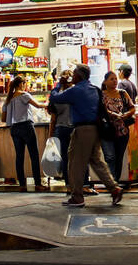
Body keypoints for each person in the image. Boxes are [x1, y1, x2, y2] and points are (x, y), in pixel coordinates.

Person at [49, 64, 122, 207]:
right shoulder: (94, 89)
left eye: (74, 74)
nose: (72, 76)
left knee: (76, 162)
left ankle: (77, 196)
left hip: (82, 129)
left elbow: (54, 98)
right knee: (95, 160)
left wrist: (59, 84)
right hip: (95, 128)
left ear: (79, 76)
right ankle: (114, 188)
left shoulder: (75, 90)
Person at [2, 75, 45, 192]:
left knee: (19, 157)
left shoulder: (8, 100)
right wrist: (48, 105)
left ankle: (22, 185)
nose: (25, 85)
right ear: (21, 84)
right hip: (26, 126)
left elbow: (3, 118)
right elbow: (38, 105)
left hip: (14, 129)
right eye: (25, 83)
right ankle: (37, 184)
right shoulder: (24, 95)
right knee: (34, 155)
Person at [99, 71, 135, 188]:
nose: (114, 81)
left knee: (119, 156)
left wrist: (126, 115)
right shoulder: (101, 95)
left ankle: (116, 181)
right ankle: (112, 183)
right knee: (110, 157)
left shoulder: (122, 93)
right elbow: (99, 110)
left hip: (122, 130)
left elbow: (132, 108)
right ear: (105, 81)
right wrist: (111, 114)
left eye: (115, 79)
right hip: (107, 130)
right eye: (111, 79)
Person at [48, 70, 74, 193]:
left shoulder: (56, 95)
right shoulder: (75, 93)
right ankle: (81, 184)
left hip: (60, 128)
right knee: (77, 157)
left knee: (65, 158)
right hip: (74, 128)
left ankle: (68, 184)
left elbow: (53, 118)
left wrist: (50, 135)